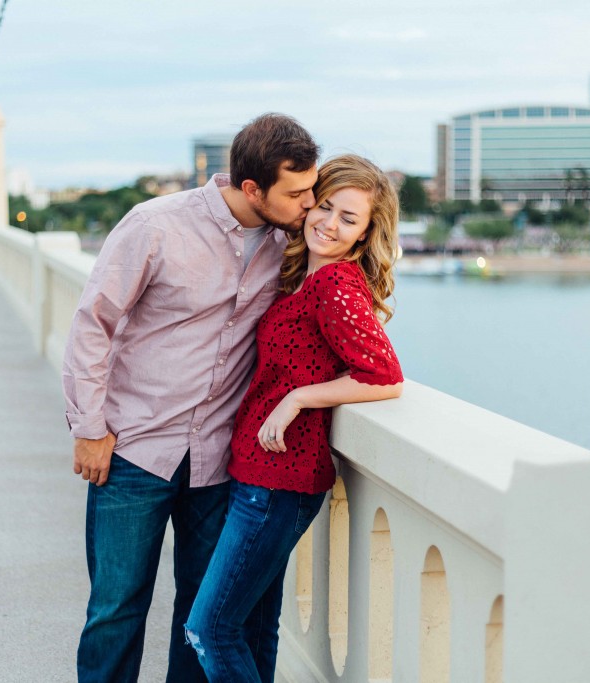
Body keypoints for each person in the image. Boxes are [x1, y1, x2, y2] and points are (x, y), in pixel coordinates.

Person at [62, 113, 320, 683]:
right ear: (251, 188)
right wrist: (88, 427)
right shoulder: (154, 225)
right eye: (298, 192)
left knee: (199, 619)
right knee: (115, 611)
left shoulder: (293, 244)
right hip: (132, 452)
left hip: (219, 462)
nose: (309, 203)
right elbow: (92, 325)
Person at [184, 154, 404, 682]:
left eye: (348, 218)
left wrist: (301, 397)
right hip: (258, 474)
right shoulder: (305, 274)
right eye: (324, 207)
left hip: (278, 483)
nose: (329, 223)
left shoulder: (336, 286)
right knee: (255, 627)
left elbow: (385, 376)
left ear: (366, 231)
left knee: (208, 628)